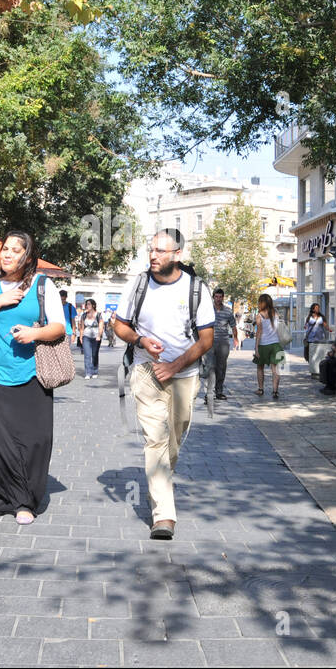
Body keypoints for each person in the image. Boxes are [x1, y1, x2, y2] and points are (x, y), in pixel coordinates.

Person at [113, 228, 215, 541]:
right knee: (155, 438)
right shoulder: (139, 284)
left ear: (177, 255)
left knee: (175, 436)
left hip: (185, 375)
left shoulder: (196, 289)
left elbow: (206, 339)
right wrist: (139, 338)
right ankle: (164, 514)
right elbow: (119, 325)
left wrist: (175, 364)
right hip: (146, 370)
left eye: (161, 251)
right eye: (151, 250)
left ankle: (159, 484)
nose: (153, 256)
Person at [0, 230, 66, 525]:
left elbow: (60, 327)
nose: (7, 254)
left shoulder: (42, 284)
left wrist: (35, 333)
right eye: (5, 249)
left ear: (28, 257)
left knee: (33, 440)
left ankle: (25, 501)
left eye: (15, 250)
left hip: (34, 372)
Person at [207, 288, 239, 402]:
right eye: (216, 296)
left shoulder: (228, 311)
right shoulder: (207, 310)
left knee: (221, 367)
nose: (218, 299)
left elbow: (233, 326)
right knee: (210, 367)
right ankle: (209, 393)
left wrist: (235, 339)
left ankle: (219, 391)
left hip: (223, 343)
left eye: (220, 297)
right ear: (213, 297)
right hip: (209, 342)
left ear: (223, 297)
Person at [252, 293, 286, 398]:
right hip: (276, 345)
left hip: (264, 345)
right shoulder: (275, 313)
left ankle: (261, 389)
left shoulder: (259, 315)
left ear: (262, 303)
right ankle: (275, 391)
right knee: (275, 369)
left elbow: (259, 332)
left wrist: (256, 347)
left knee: (260, 368)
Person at [80, 298, 102, 378]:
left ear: (93, 305)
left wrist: (99, 335)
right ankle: (88, 373)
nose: (87, 306)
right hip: (86, 337)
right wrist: (81, 337)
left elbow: (101, 326)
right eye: (86, 304)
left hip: (96, 337)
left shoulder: (98, 315)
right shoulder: (84, 315)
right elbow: (82, 327)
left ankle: (95, 371)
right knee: (87, 355)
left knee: (94, 355)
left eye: (89, 304)